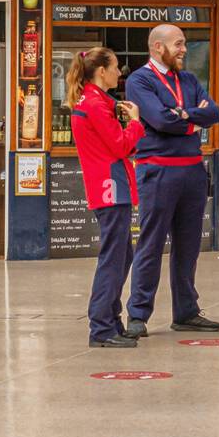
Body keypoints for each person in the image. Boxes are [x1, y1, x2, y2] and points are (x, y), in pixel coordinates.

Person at [124, 24, 219, 335]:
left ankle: (186, 311)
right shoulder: (140, 80)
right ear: (158, 47)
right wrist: (191, 118)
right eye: (178, 44)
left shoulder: (189, 79)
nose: (184, 50)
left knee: (189, 245)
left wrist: (180, 114)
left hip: (193, 171)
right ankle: (138, 314)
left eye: (184, 44)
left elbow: (215, 113)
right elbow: (159, 119)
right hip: (158, 170)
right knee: (151, 243)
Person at [68, 48, 145, 348]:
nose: (119, 73)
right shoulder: (96, 105)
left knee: (123, 254)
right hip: (109, 187)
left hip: (110, 186)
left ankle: (111, 319)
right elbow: (120, 145)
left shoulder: (95, 101)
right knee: (113, 258)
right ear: (101, 71)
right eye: (115, 68)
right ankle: (101, 327)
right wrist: (136, 123)